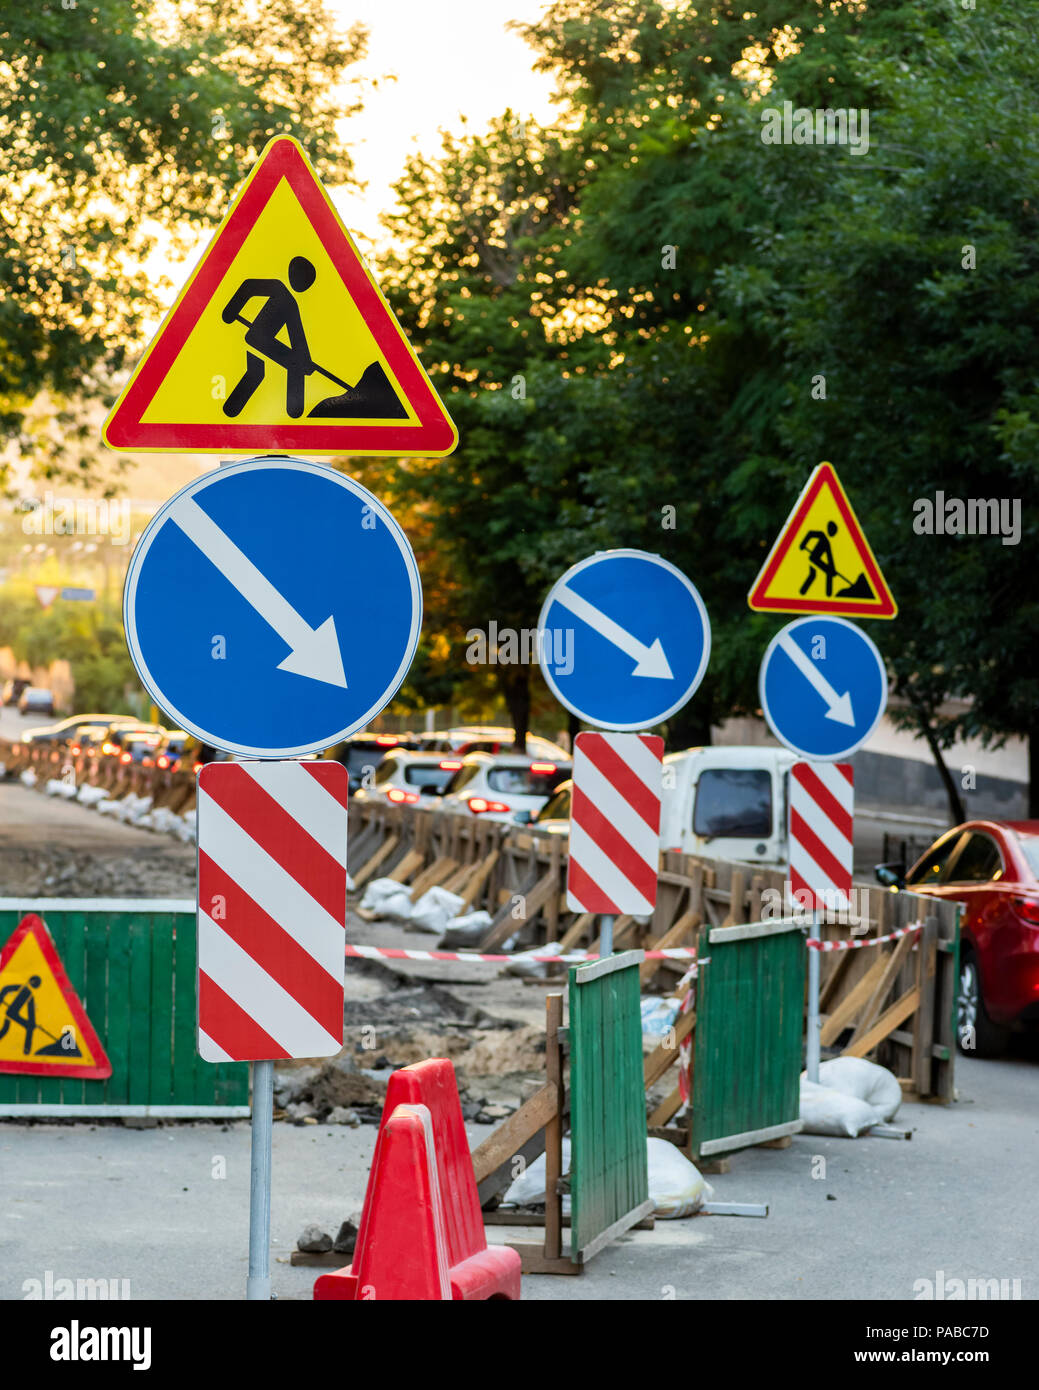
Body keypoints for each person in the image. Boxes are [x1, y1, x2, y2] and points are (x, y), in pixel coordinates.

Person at [221, 256, 318, 419]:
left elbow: (297, 337)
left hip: (263, 341)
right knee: (288, 366)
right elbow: (248, 288)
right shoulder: (278, 288)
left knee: (258, 373)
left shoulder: (291, 304)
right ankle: (294, 409)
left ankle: (294, 410)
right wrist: (230, 310)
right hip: (257, 336)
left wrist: (306, 360)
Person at [0, 975, 41, 1054]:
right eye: (34, 982)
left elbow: (31, 1011)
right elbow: (6, 989)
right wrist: (1, 998)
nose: (33, 983)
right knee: (5, 1029)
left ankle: (26, 1050)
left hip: (13, 1014)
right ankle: (27, 1050)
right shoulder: (23, 988)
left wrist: (33, 1022)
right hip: (11, 1013)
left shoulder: (30, 995)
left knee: (5, 1029)